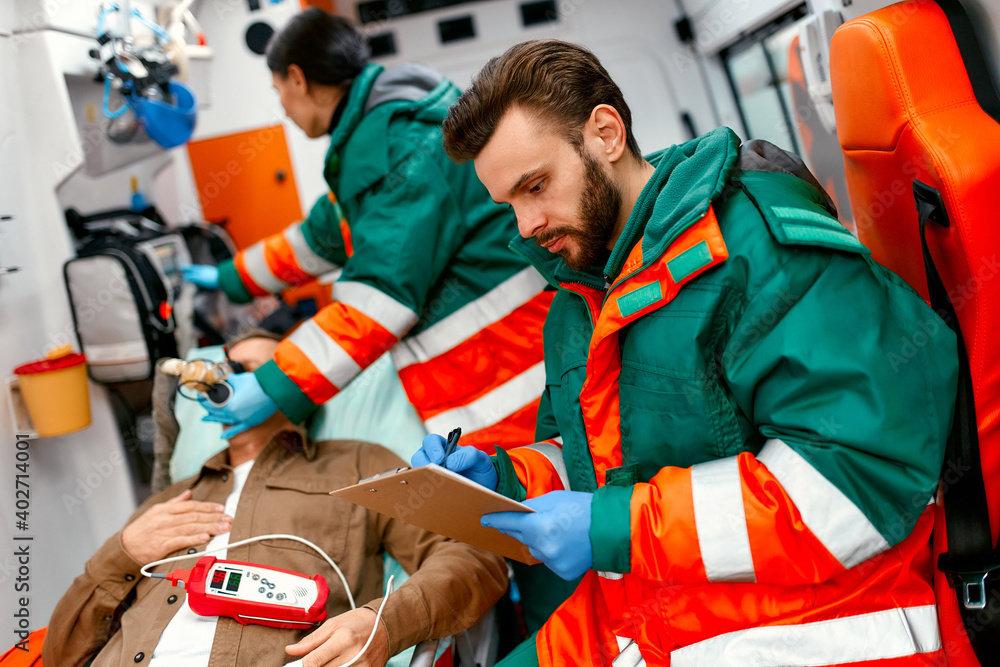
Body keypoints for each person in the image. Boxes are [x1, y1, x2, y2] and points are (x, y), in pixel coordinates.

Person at [413, 39, 960, 666]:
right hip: (652, 621)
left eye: (536, 186)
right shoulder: (576, 298)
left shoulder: (760, 248)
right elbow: (595, 457)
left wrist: (613, 529)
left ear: (607, 133)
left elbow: (854, 482)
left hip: (808, 631)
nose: (526, 225)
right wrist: (506, 480)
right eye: (509, 203)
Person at [182, 9, 553, 456]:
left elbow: (379, 295)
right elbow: (320, 238)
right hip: (506, 355)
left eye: (277, 89)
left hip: (510, 363)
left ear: (298, 79)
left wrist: (275, 385)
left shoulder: (401, 146)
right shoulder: (380, 135)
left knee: (533, 494)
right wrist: (229, 278)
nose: (281, 105)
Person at [42, 331, 508, 667]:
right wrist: (119, 554)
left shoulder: (360, 464)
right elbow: (61, 653)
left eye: (252, 370)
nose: (226, 379)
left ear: (299, 387)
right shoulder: (171, 499)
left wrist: (384, 623)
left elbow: (473, 559)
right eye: (226, 369)